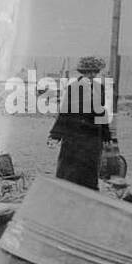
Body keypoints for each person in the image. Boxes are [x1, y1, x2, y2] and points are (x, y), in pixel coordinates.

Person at [48, 56, 110, 190]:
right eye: (88, 72)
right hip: (74, 136)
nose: (92, 75)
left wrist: (106, 134)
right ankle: (65, 192)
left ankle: (89, 195)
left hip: (93, 137)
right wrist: (56, 134)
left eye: (95, 72)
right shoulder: (73, 88)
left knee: (90, 169)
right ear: (82, 72)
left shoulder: (100, 88)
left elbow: (102, 112)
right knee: (70, 169)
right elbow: (65, 112)